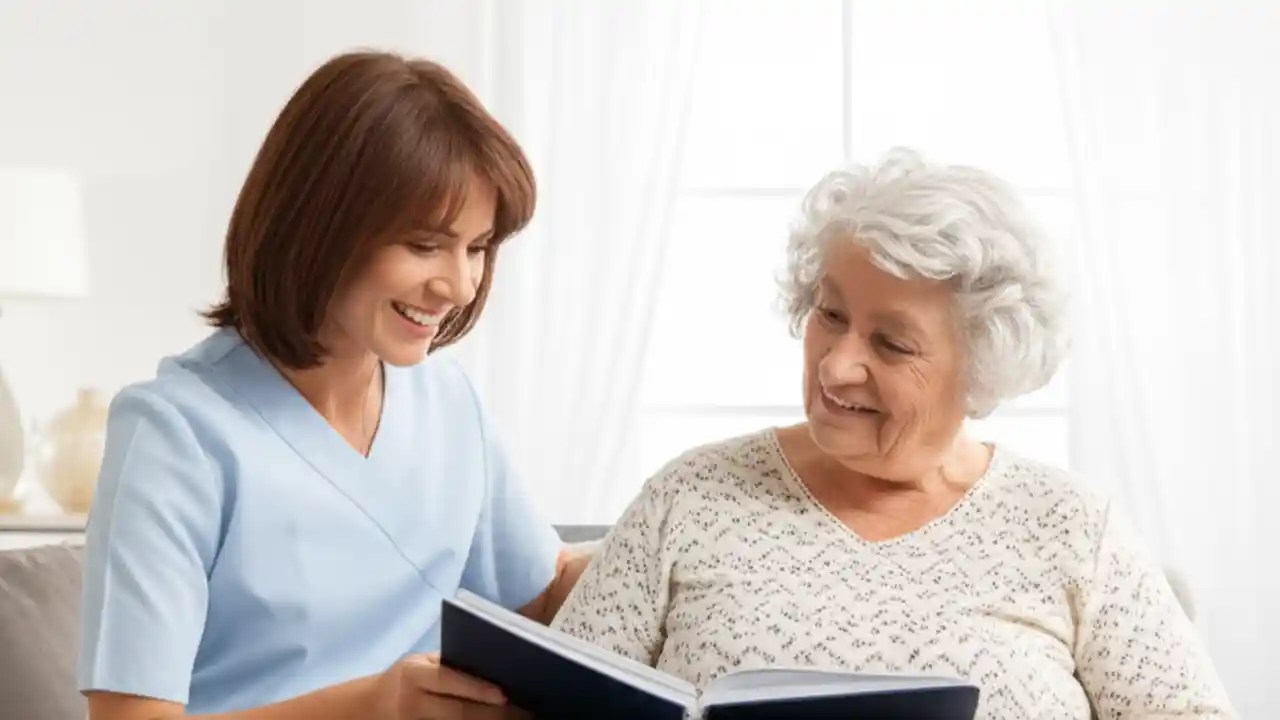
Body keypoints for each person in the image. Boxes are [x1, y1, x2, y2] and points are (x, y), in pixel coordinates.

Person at [552, 148, 1236, 718]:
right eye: (829, 314)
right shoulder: (691, 496)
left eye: (893, 345)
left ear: (981, 365)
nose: (838, 364)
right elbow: (554, 707)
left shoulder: (1072, 529)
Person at [79, 51, 584, 720]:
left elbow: (543, 597)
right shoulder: (176, 436)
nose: (459, 286)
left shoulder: (447, 406)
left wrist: (702, 520)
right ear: (321, 225)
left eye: (477, 248)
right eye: (425, 244)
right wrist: (374, 705)